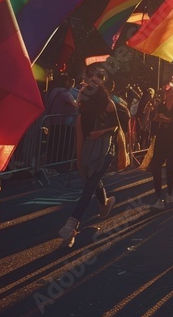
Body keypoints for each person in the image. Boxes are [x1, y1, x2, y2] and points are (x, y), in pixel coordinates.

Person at [58, 68, 120, 248]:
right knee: (91, 181)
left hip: (104, 149)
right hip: (88, 151)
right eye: (90, 81)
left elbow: (116, 126)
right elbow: (79, 138)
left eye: (96, 81)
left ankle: (71, 224)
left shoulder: (108, 104)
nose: (92, 84)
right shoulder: (82, 112)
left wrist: (101, 131)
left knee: (90, 185)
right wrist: (79, 163)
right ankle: (105, 203)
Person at [144, 84, 173, 208]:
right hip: (161, 139)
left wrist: (170, 120)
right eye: (168, 92)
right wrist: (156, 118)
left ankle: (169, 194)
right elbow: (153, 121)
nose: (170, 94)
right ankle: (158, 198)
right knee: (156, 167)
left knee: (170, 167)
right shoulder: (160, 106)